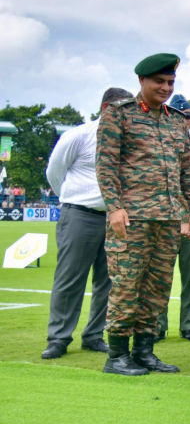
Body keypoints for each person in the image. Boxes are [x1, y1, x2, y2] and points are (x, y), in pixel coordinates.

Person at [95, 54, 190, 376]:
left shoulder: (174, 120)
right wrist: (114, 206)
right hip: (132, 218)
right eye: (159, 82)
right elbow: (106, 163)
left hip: (169, 218)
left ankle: (144, 352)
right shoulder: (119, 115)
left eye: (170, 83)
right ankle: (116, 355)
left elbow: (188, 167)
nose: (165, 88)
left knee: (157, 288)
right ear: (142, 81)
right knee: (127, 285)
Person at [41, 86, 132, 360]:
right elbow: (54, 172)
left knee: (109, 282)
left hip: (116, 220)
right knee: (70, 279)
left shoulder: (128, 139)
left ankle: (94, 335)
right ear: (106, 109)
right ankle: (58, 338)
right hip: (80, 215)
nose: (128, 117)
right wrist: (72, 201)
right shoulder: (78, 135)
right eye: (122, 111)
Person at [156, 94, 190, 343]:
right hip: (166, 218)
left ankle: (189, 325)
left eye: (188, 116)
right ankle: (157, 325)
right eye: (180, 115)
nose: (184, 120)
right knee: (160, 275)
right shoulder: (159, 140)